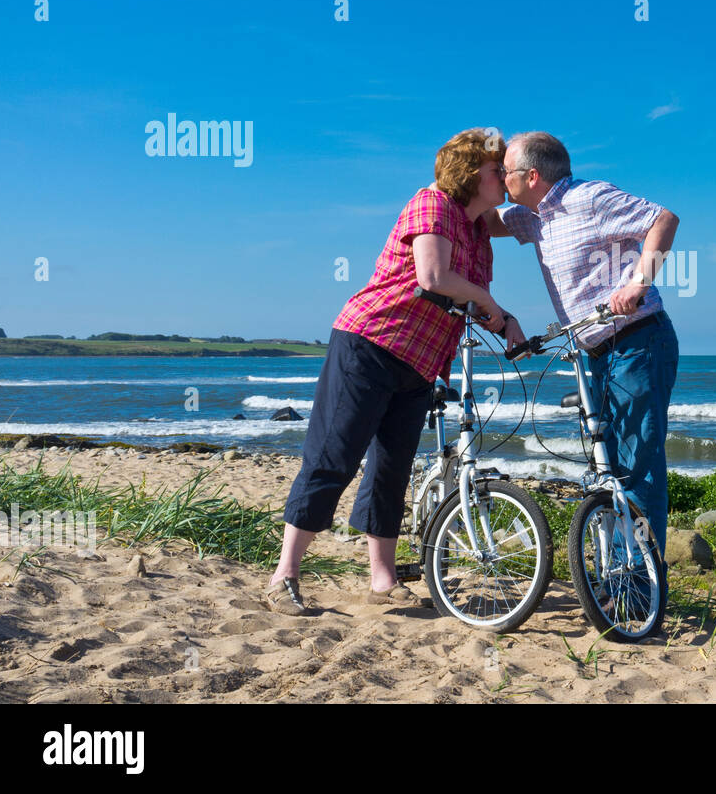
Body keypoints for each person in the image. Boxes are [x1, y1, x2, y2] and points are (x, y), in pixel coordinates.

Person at [266, 128, 525, 615]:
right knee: (333, 456)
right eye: (498, 170)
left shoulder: (477, 229)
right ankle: (285, 576)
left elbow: (504, 241)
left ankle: (382, 580)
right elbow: (434, 278)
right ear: (473, 173)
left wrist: (503, 317)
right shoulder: (434, 204)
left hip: (421, 362)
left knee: (391, 468)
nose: (505, 179)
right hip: (370, 343)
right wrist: (488, 301)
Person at [485, 132, 679, 619]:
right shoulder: (530, 216)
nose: (500, 179)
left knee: (637, 467)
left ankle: (637, 588)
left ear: (531, 175)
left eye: (503, 171)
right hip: (592, 352)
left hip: (638, 340)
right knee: (606, 467)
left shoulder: (589, 198)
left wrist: (639, 281)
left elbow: (664, 219)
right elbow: (483, 221)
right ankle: (617, 578)